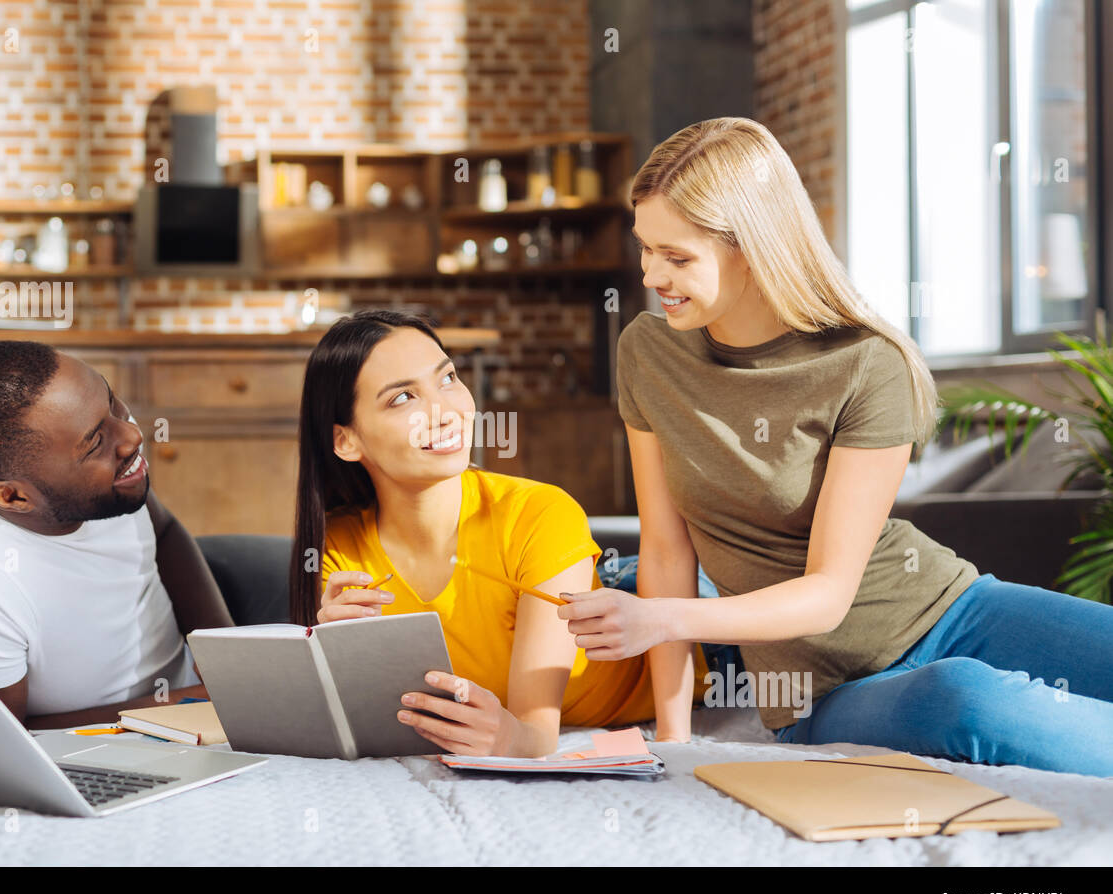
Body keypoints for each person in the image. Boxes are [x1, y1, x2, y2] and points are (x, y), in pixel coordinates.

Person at [557, 116, 1113, 776]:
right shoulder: (648, 354)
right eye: (646, 249)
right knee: (967, 701)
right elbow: (665, 547)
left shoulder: (869, 363)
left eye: (677, 257)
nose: (651, 275)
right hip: (821, 690)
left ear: (753, 248)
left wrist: (661, 619)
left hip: (952, 609)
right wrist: (674, 742)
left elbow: (828, 592)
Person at [288, 309, 698, 758]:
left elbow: (533, 736)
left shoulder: (542, 515)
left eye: (447, 379)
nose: (443, 412)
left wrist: (509, 738)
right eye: (403, 398)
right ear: (346, 440)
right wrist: (335, 656)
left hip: (701, 640)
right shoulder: (339, 550)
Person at [0, 341, 233, 729]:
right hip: (96, 752)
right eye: (96, 443)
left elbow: (163, 529)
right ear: (12, 497)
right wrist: (173, 708)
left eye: (113, 401)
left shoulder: (86, 425)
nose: (132, 435)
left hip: (200, 705)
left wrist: (225, 663)